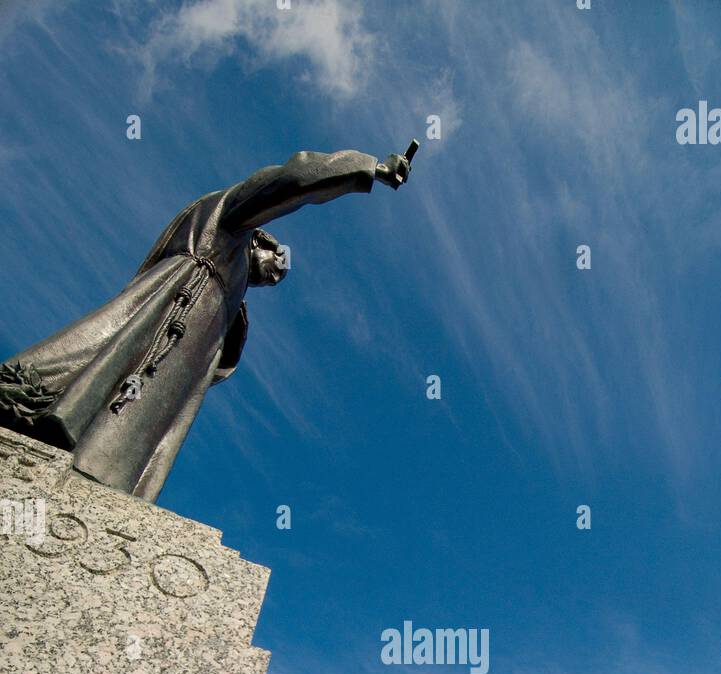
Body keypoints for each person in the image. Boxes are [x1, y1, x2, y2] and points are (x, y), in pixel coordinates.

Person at [0, 147, 412, 501]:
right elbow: (294, 177)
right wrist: (368, 168)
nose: (275, 273)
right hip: (170, 317)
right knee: (97, 397)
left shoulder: (228, 287)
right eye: (274, 262)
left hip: (178, 349)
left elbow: (216, 364)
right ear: (259, 240)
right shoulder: (229, 223)